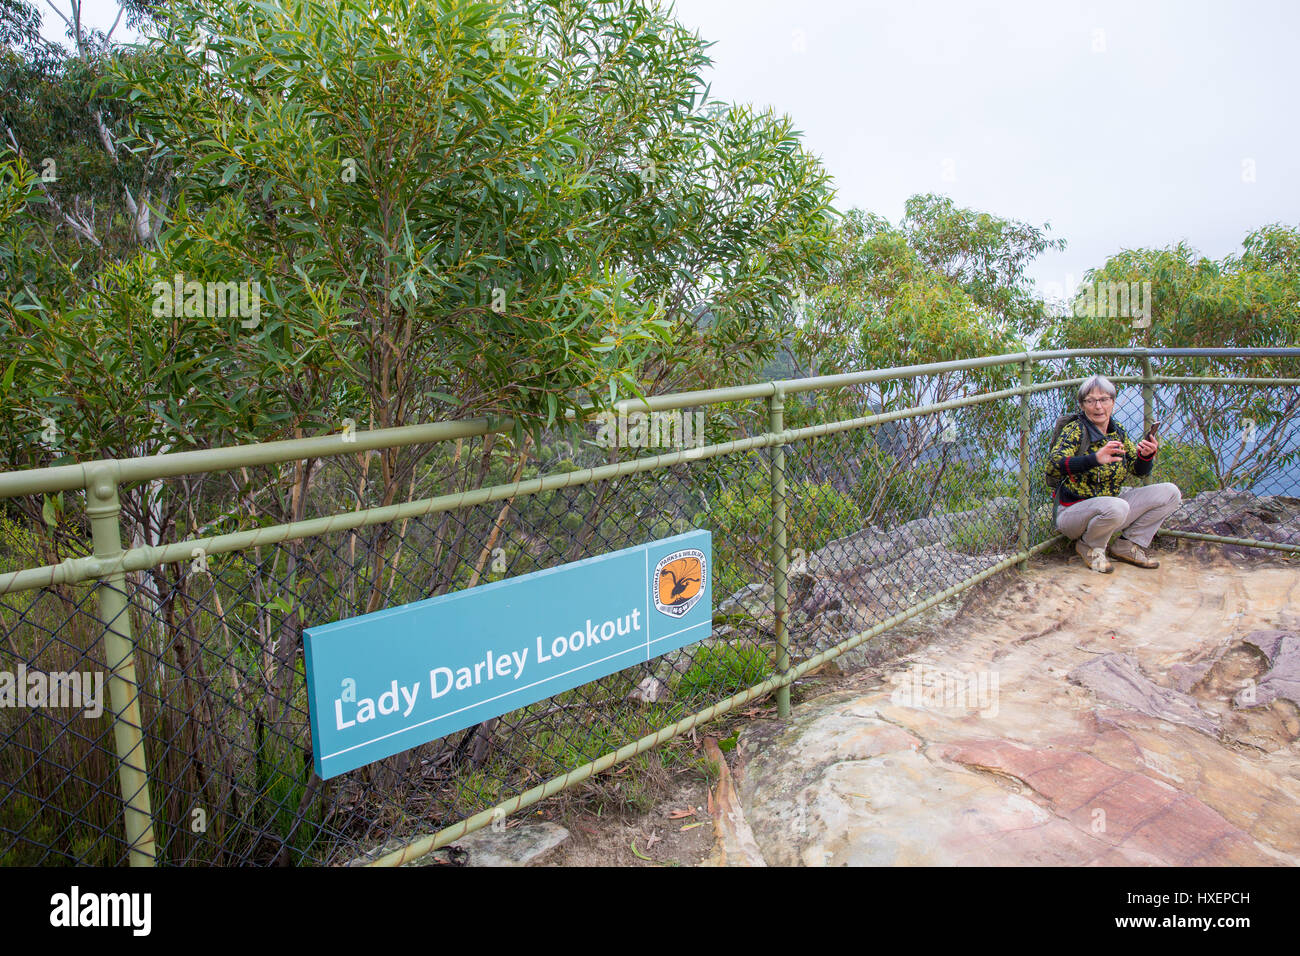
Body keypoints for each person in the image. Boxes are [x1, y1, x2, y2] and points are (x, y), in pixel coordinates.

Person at [1045, 375, 1182, 574]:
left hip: (1110, 510)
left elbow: (1138, 471)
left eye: (1104, 400)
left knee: (1170, 493)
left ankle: (1127, 545)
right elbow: (1052, 465)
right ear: (1083, 405)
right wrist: (1095, 459)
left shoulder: (1117, 432)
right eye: (1090, 401)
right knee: (1117, 506)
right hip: (1073, 514)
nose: (1098, 406)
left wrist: (1146, 456)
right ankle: (1089, 547)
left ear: (1113, 403)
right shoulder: (1075, 430)